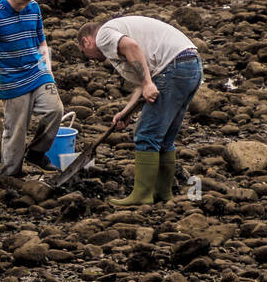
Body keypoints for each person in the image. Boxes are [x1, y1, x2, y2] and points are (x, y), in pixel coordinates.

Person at [76, 15, 203, 206]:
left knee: (146, 135)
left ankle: (142, 195)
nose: (91, 59)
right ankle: (163, 194)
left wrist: (147, 83)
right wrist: (126, 112)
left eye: (85, 53)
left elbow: (132, 47)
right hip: (190, 65)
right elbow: (143, 85)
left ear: (86, 41)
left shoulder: (103, 36)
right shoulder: (118, 33)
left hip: (174, 67)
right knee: (165, 137)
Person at [0, 0, 65, 180]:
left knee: (55, 109)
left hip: (38, 72)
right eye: (19, 2)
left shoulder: (34, 8)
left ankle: (37, 152)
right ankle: (10, 176)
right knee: (16, 131)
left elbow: (42, 41)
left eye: (27, 2)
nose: (23, 6)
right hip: (12, 80)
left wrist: (48, 70)